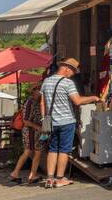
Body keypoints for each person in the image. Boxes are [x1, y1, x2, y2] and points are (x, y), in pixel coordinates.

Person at [39, 57, 100, 189]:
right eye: (73, 71)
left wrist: (44, 119)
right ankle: (60, 179)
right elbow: (77, 101)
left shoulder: (46, 81)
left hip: (51, 122)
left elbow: (42, 103)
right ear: (67, 69)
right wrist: (93, 97)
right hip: (66, 122)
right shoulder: (67, 83)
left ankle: (49, 179)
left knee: (53, 149)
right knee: (64, 150)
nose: (73, 74)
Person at [9, 88, 44, 185]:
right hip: (31, 131)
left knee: (33, 152)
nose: (41, 92)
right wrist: (37, 127)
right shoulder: (30, 102)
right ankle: (19, 173)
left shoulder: (35, 101)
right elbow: (26, 120)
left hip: (33, 130)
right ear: (34, 91)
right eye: (39, 90)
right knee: (31, 152)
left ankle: (29, 174)